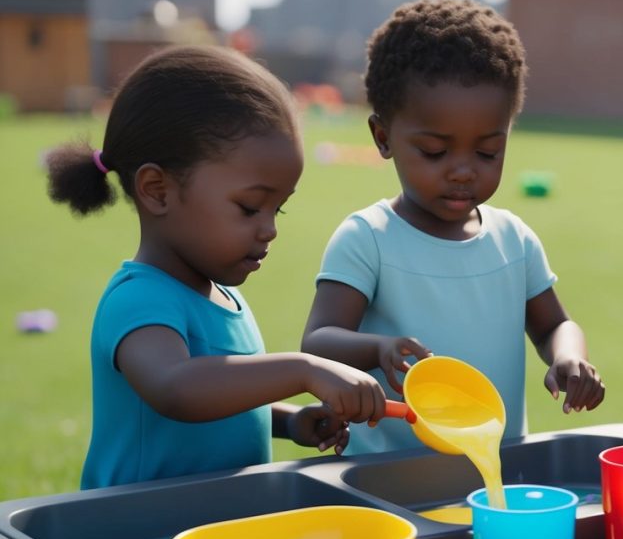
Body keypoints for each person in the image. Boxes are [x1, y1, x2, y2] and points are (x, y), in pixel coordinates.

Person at [47, 45, 389, 489]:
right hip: (132, 538)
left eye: (277, 210)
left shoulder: (226, 297)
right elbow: (177, 389)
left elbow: (221, 402)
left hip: (210, 531)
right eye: (249, 208)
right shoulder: (138, 298)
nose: (269, 230)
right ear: (157, 190)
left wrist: (289, 422)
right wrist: (305, 370)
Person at [302, 0, 605, 454]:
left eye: (487, 152)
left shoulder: (513, 241)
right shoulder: (368, 240)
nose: (463, 170)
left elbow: (554, 325)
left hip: (492, 480)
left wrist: (569, 357)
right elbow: (318, 342)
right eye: (435, 151)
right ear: (383, 137)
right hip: (387, 483)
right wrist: (376, 349)